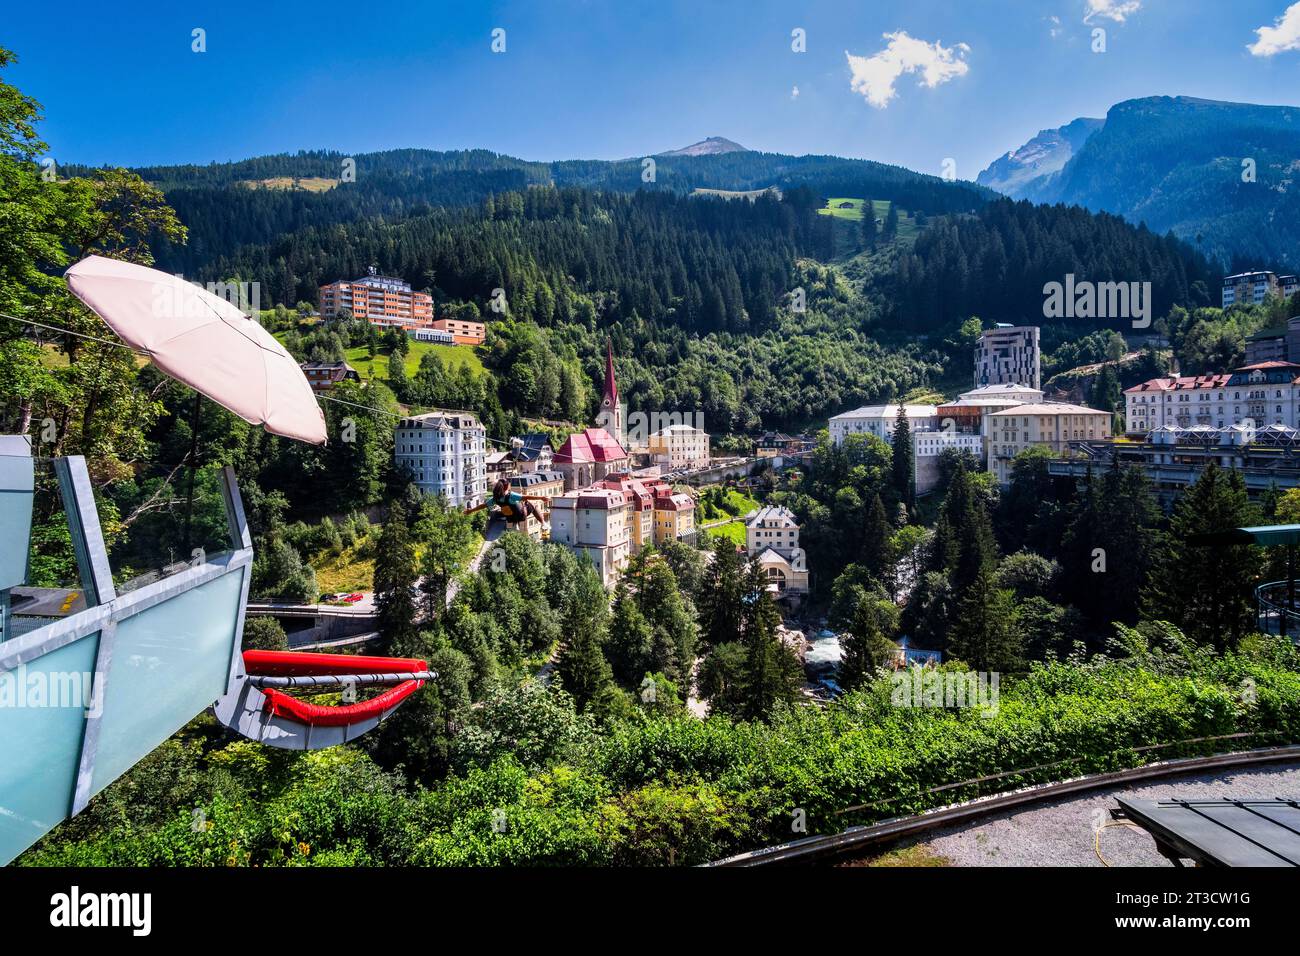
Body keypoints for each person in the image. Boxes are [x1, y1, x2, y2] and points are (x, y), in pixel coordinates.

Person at [467, 478, 547, 526]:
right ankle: (543, 523)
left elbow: (484, 505)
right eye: (509, 485)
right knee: (532, 505)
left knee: (510, 507)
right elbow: (526, 497)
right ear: (506, 486)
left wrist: (471, 511)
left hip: (510, 518)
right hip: (521, 515)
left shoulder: (495, 498)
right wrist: (541, 497)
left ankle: (515, 525)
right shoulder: (510, 495)